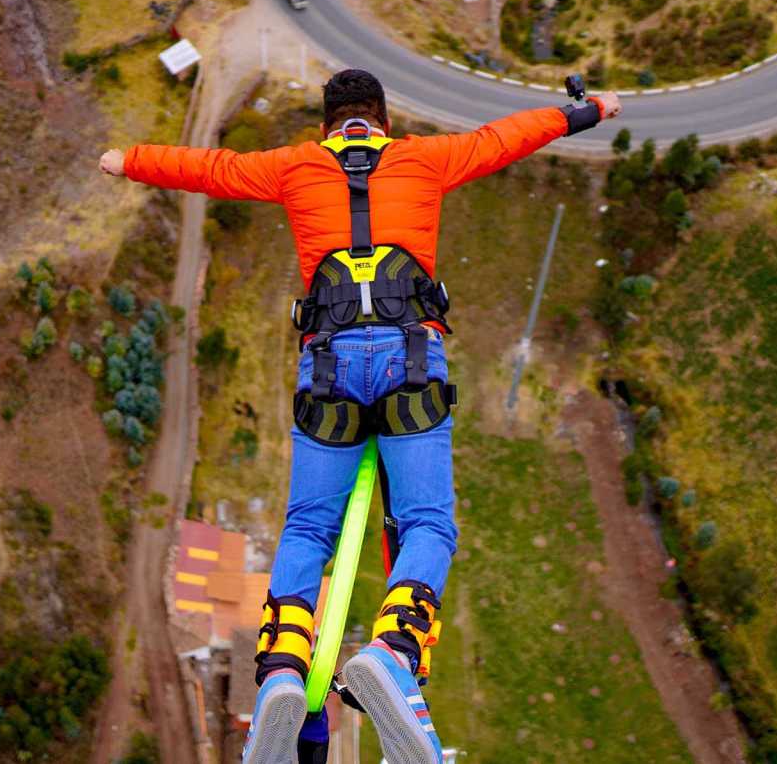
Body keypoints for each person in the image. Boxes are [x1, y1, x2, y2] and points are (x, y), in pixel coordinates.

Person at [100, 69, 620, 764]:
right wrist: (588, 111)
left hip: (330, 368)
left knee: (310, 524)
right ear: (381, 120)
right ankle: (394, 651)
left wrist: (126, 159)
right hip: (410, 361)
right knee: (426, 521)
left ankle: (284, 667)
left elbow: (209, 168)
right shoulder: (425, 157)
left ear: (327, 125)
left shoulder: (294, 166)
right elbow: (511, 137)